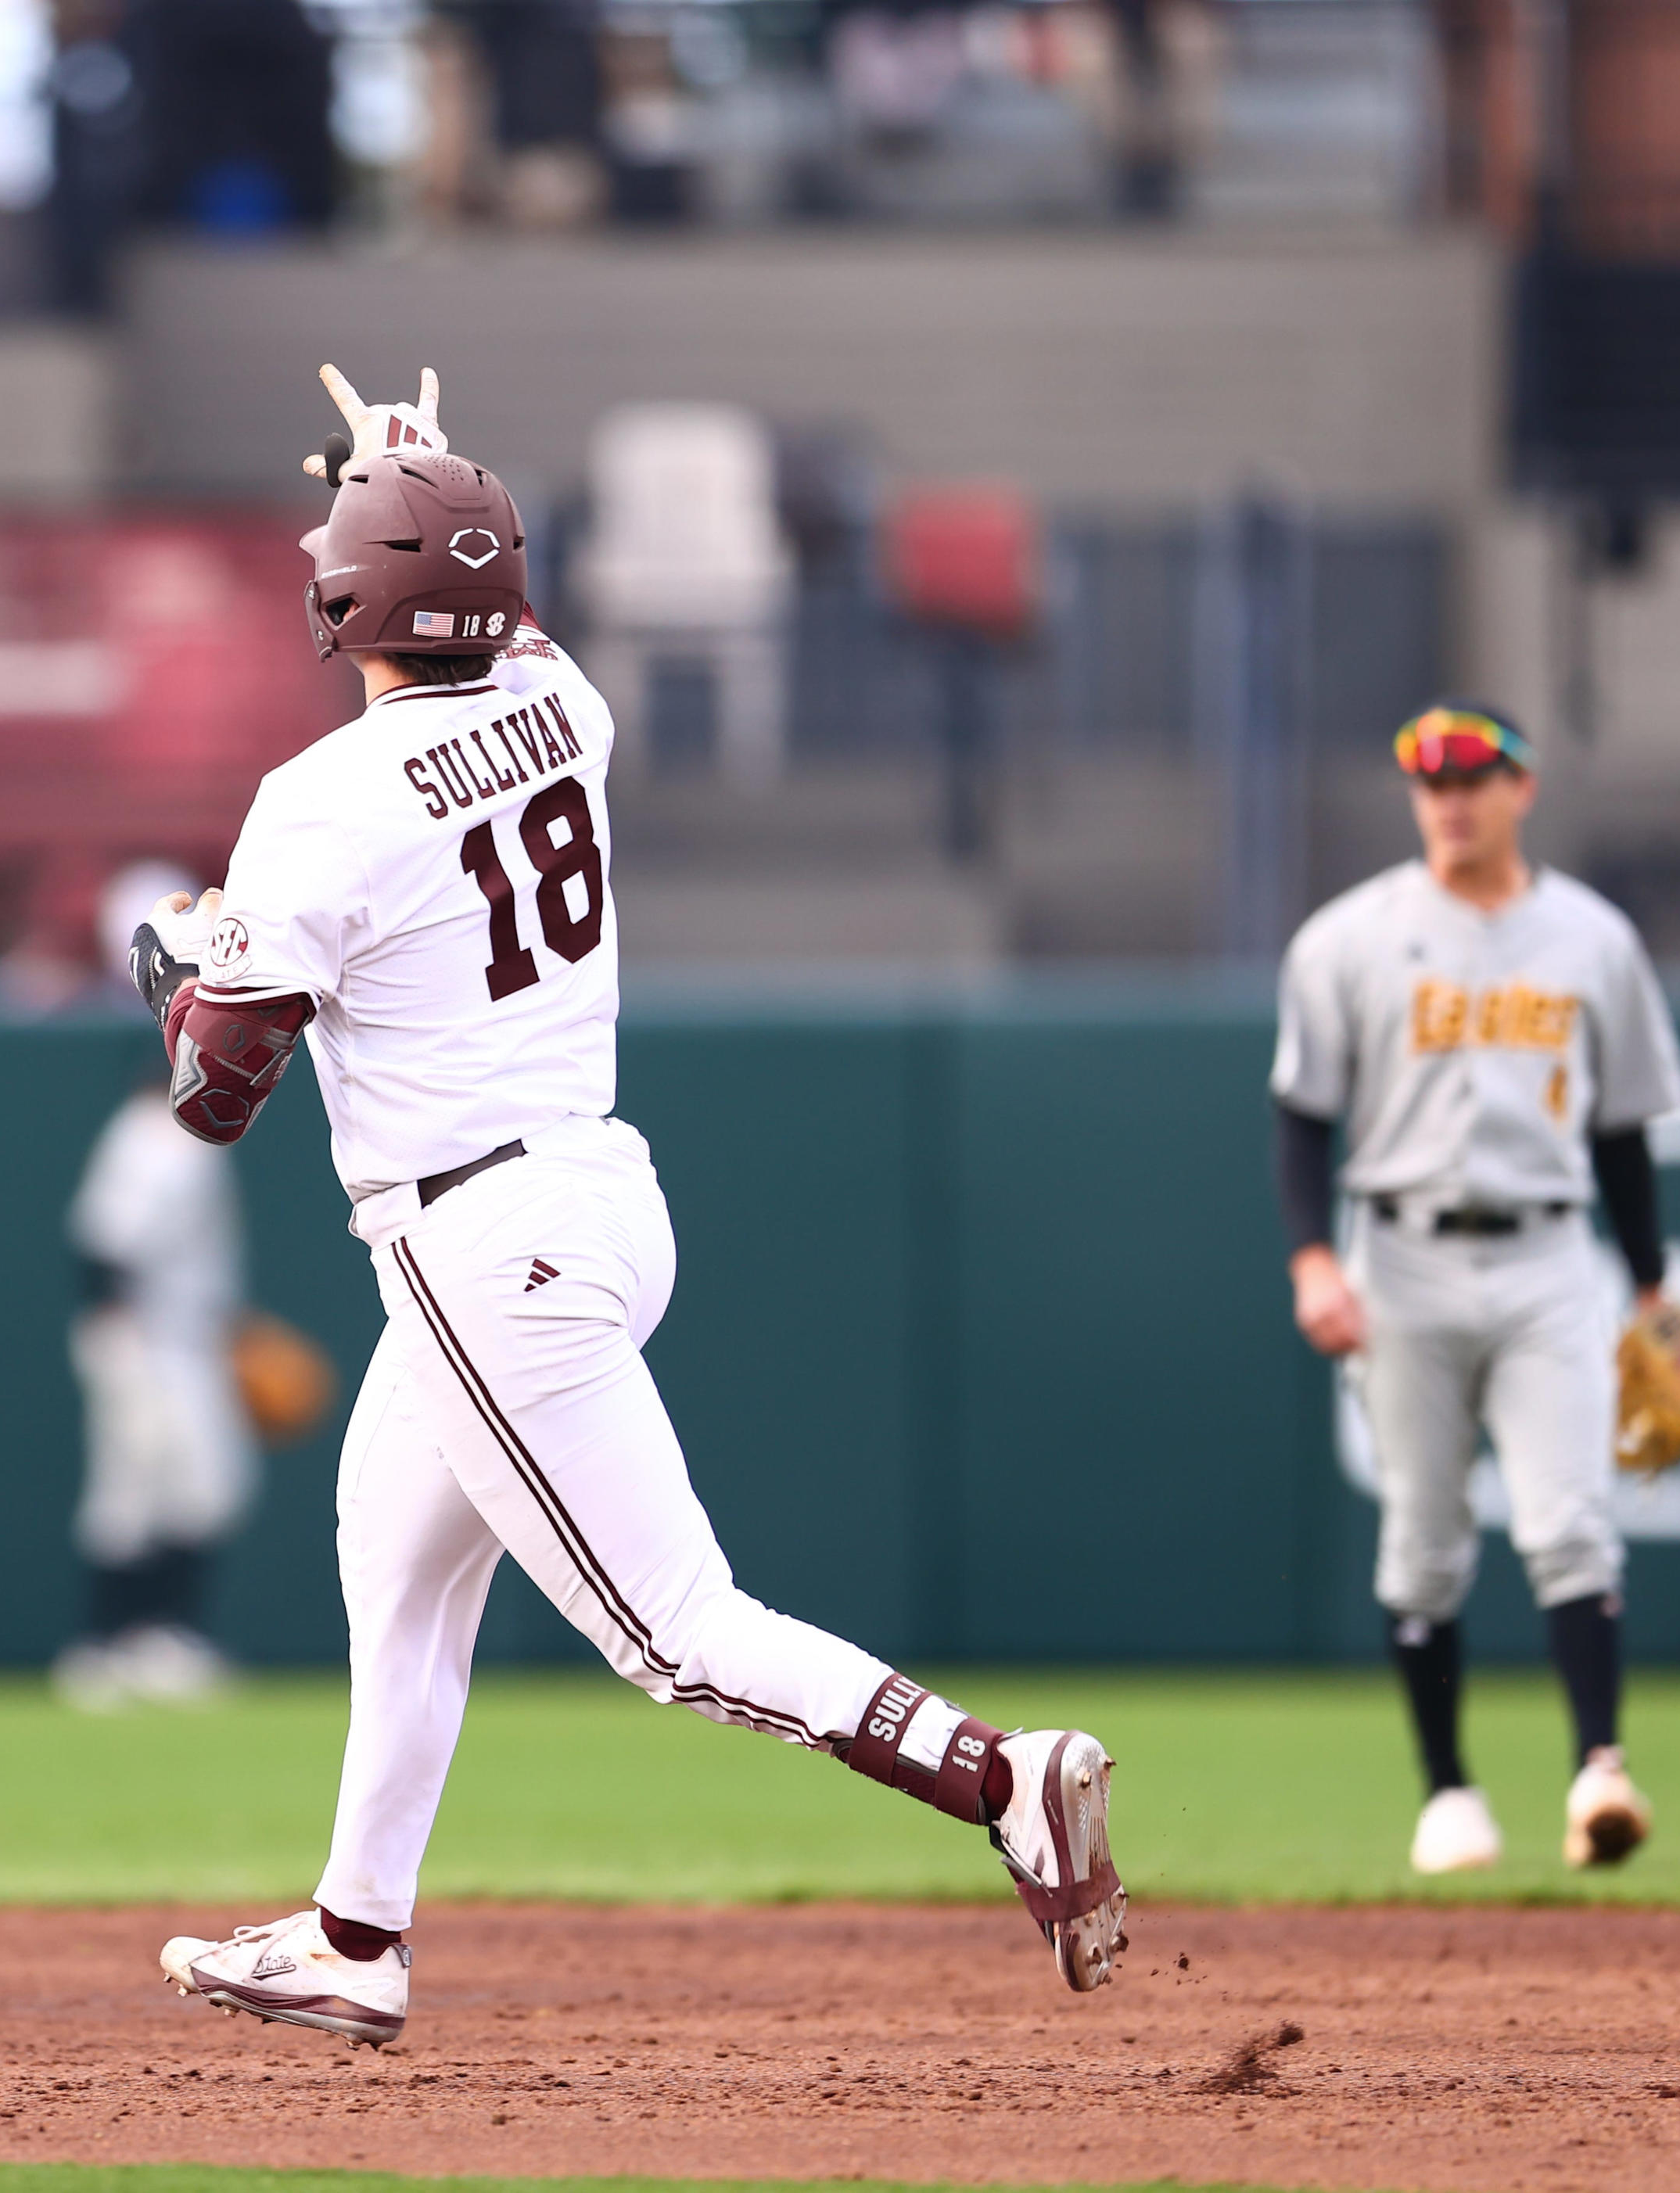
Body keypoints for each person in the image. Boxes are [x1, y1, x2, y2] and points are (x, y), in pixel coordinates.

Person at [140, 366, 1125, 2051]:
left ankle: (1000, 1775)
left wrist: (174, 964)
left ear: (340, 599)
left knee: (678, 1631)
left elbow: (216, 1095)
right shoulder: (564, 699)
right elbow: (479, 608)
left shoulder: (320, 801)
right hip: (592, 1187)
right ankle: (355, 1935)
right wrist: (405, 472)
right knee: (397, 1561)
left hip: (476, 1237)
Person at [1270, 702, 1680, 1876]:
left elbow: (1621, 1137)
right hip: (1396, 1256)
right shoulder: (1345, 938)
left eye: (1472, 777)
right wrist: (1313, 1256)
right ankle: (1447, 1791)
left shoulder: (1592, 940)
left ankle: (1598, 1771)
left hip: (1547, 1256)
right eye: (1427, 780)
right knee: (1420, 1545)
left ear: (1523, 788)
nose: (1448, 800)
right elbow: (1301, 1118)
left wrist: (1654, 1293)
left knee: (1568, 1521)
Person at [56, 862, 261, 1711]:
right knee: (159, 1493)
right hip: (146, 1337)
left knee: (161, 1495)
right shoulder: (159, 1134)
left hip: (169, 1333)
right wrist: (125, 1339)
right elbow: (103, 1243)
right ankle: (125, 1644)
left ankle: (134, 1643)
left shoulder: (165, 1130)